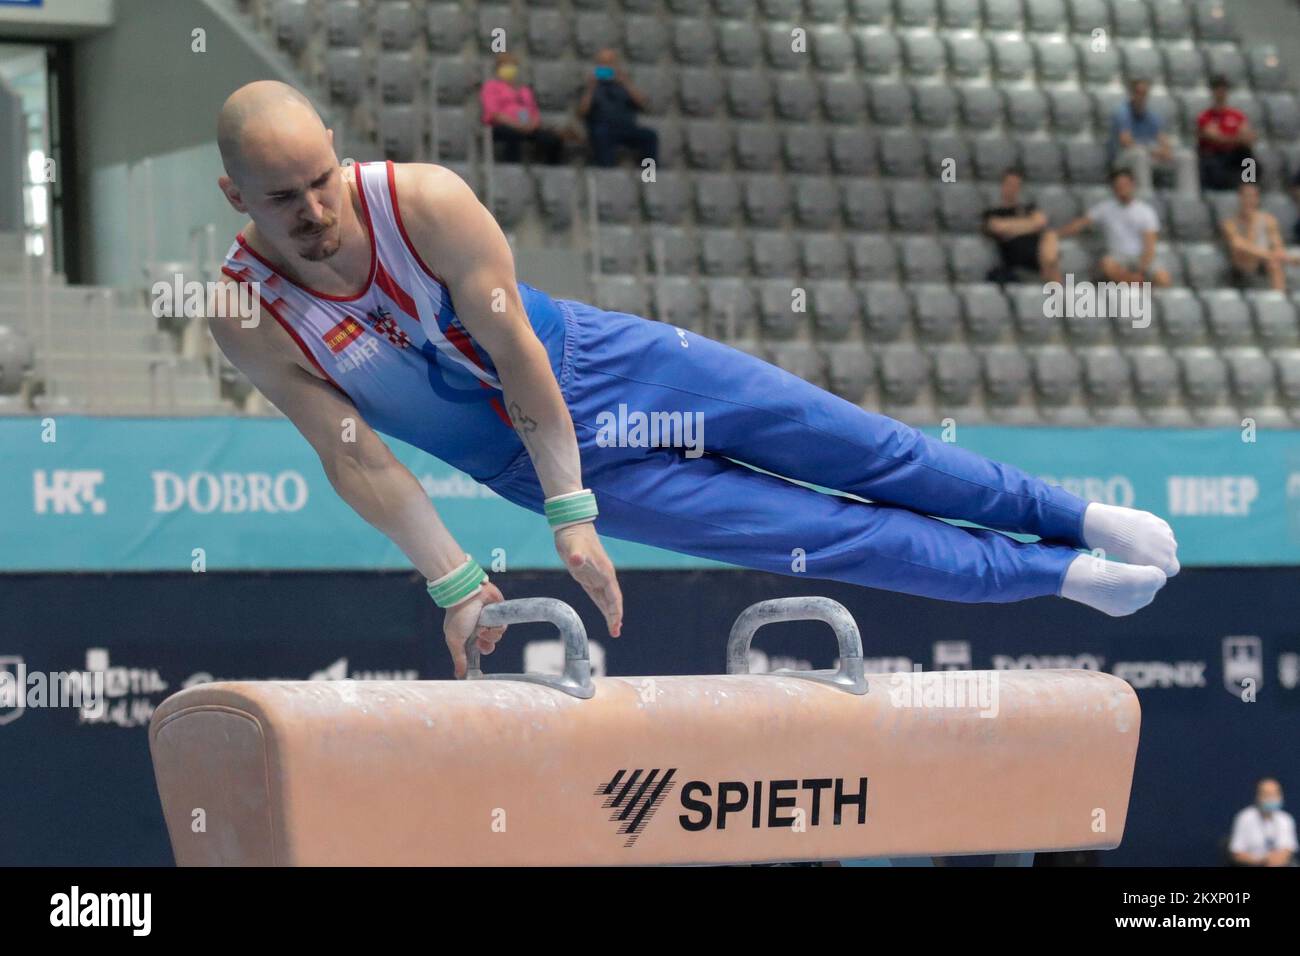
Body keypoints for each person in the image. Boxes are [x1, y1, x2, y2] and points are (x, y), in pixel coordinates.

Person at [211, 82, 1180, 676]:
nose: (312, 210)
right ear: (233, 198)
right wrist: (456, 581)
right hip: (533, 462)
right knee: (830, 535)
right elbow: (356, 454)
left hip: (600, 368)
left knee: (870, 451)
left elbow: (519, 361)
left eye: (320, 181)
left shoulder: (419, 201)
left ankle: (1074, 516)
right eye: (281, 199)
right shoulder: (246, 309)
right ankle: (1061, 573)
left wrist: (568, 509)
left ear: (339, 158)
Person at [1057, 168, 1172, 286]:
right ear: (1113, 188)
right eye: (1118, 186)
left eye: (1125, 185)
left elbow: (1150, 245)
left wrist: (1141, 269)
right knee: (1107, 265)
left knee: (1163, 278)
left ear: (1132, 185)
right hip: (1117, 256)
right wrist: (1056, 234)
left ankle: (1138, 287)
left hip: (1141, 256)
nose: (1122, 188)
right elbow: (1081, 223)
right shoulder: (1104, 208)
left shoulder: (1145, 211)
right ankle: (1137, 285)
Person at [1108, 79, 1197, 194]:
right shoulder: (1122, 112)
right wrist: (1153, 150)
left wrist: (1166, 149)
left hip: (1150, 154)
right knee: (1139, 154)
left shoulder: (1151, 115)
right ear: (1131, 94)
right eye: (1138, 92)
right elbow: (1126, 141)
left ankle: (1188, 197)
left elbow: (1163, 139)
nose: (1141, 97)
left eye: (1144, 93)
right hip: (1123, 157)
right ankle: (1145, 195)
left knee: (1186, 156)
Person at [576, 49, 658, 168]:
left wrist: (626, 83)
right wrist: (591, 87)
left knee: (650, 136)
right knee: (600, 135)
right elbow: (582, 112)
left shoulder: (624, 84)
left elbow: (643, 104)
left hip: (626, 127)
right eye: (602, 63)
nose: (606, 67)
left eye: (610, 63)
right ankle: (607, 174)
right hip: (603, 128)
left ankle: (649, 175)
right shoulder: (589, 86)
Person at [478, 52, 563, 165]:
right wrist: (518, 126)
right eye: (505, 65)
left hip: (527, 126)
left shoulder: (524, 90)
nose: (510, 69)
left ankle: (550, 169)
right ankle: (512, 169)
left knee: (552, 140)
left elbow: (534, 112)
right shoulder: (491, 86)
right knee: (513, 135)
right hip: (502, 126)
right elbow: (495, 113)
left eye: (512, 65)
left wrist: (532, 124)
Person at [983, 168, 1063, 284]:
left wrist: (1012, 229)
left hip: (1040, 253)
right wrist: (1030, 225)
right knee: (1050, 256)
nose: (1013, 188)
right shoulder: (993, 212)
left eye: (1016, 185)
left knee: (1050, 236)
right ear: (1003, 185)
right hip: (1016, 258)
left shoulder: (1029, 208)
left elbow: (1041, 222)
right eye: (1010, 184)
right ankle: (1055, 287)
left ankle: (1054, 284)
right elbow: (997, 227)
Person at [1222, 181, 1300, 291]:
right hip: (1241, 267)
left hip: (1264, 264)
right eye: (1246, 196)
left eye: (1253, 196)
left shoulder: (1269, 220)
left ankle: (1279, 298)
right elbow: (1238, 245)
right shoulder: (1229, 224)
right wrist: (1270, 255)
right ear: (1240, 198)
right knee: (1272, 261)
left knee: (1276, 263)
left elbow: (1277, 245)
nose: (1249, 200)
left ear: (1258, 199)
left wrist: (1280, 255)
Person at [1197, 75, 1256, 192]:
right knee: (1216, 169)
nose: (1221, 92)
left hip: (1234, 155)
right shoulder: (1205, 116)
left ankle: (1249, 188)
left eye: (1223, 89)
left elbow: (1249, 137)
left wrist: (1227, 138)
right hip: (1216, 157)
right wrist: (1237, 137)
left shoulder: (1237, 115)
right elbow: (1215, 138)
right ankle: (1235, 188)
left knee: (1249, 158)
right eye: (1218, 89)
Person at [1228, 778, 1297, 866]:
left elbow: (1288, 849)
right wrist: (1261, 861)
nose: (1271, 798)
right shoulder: (1245, 818)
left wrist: (1276, 861)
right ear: (1258, 796)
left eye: (1275, 794)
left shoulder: (1286, 819)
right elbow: (1237, 853)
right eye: (1267, 794)